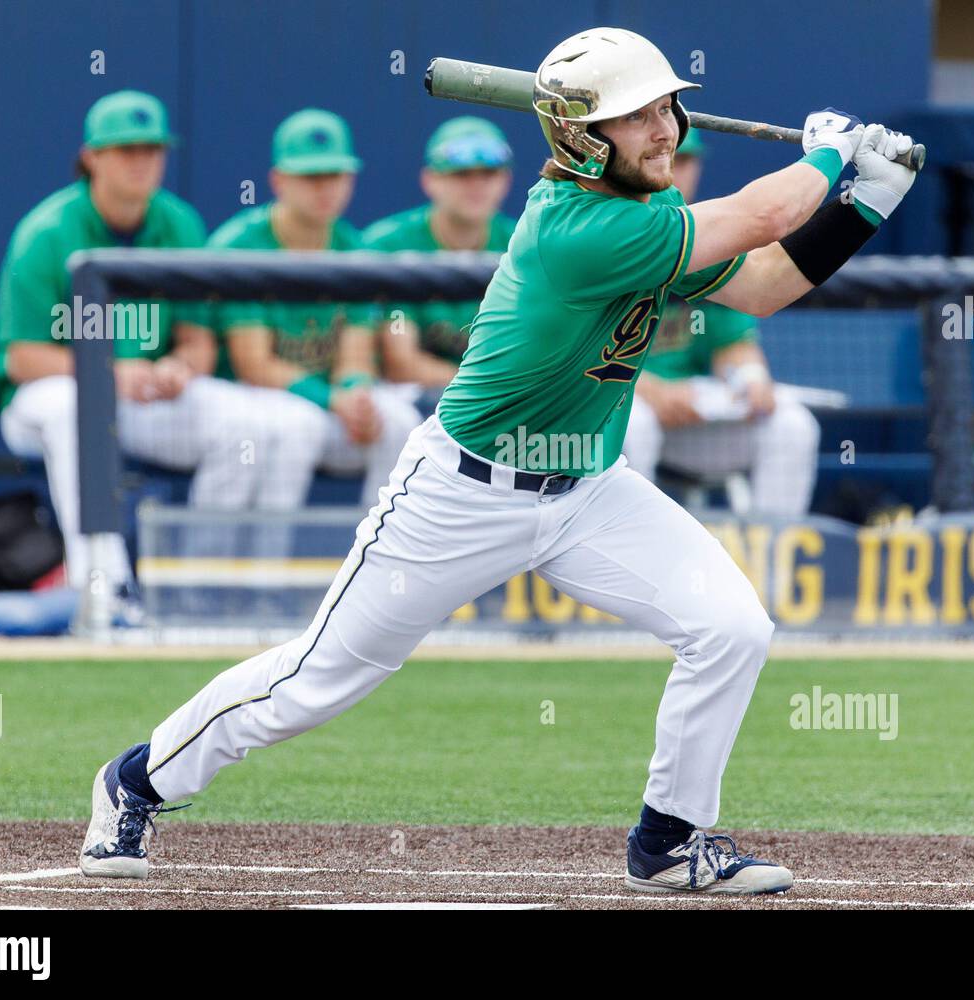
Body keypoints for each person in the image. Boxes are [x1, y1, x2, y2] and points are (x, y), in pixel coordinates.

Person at [80, 28, 917, 895]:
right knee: (316, 679)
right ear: (581, 135)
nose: (666, 127)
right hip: (461, 493)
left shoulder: (646, 215)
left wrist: (867, 202)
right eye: (638, 116)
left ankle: (669, 841)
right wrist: (828, 155)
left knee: (731, 628)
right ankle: (134, 781)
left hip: (589, 488)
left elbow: (766, 283)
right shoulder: (581, 229)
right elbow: (768, 214)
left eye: (668, 106)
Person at [0, 90, 320, 598]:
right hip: (44, 404)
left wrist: (179, 368)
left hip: (140, 400)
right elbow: (21, 359)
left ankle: (199, 587)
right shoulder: (47, 231)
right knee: (73, 408)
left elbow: (197, 342)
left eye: (152, 150)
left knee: (247, 423)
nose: (141, 162)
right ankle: (102, 589)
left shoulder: (179, 223)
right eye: (126, 150)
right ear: (91, 157)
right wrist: (108, 373)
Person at [204, 108, 421, 509]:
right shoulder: (241, 244)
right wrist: (332, 398)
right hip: (251, 401)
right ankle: (264, 570)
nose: (324, 188)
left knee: (398, 423)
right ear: (278, 180)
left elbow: (355, 356)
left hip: (325, 403)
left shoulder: (356, 249)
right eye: (310, 176)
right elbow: (253, 364)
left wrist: (355, 394)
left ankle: (373, 559)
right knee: (296, 427)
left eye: (334, 175)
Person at [623, 128, 821, 516]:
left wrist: (749, 379)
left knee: (792, 427)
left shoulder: (707, 239)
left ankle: (768, 570)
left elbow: (733, 343)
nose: (675, 171)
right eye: (664, 159)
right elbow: (572, 360)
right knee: (634, 425)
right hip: (615, 412)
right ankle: (623, 561)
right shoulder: (608, 235)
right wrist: (647, 389)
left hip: (691, 417)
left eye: (684, 161)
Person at [362, 117, 518, 407]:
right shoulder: (389, 244)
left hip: (501, 397)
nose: (476, 185)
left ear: (506, 181)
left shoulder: (527, 246)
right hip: (410, 399)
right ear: (430, 180)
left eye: (488, 173)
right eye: (461, 174)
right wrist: (487, 387)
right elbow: (402, 364)